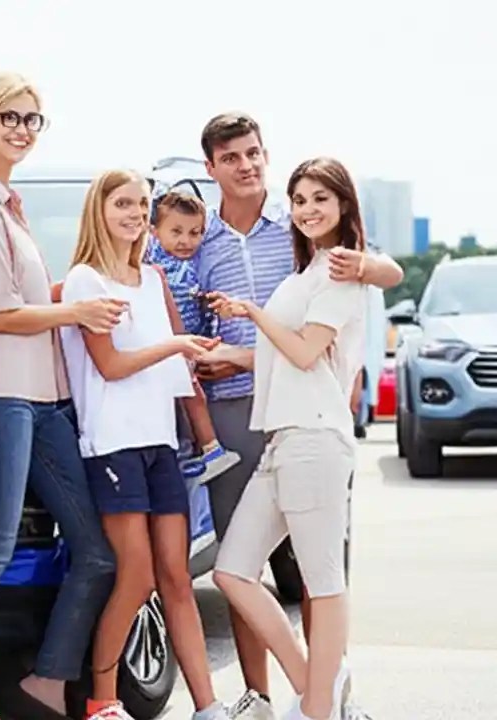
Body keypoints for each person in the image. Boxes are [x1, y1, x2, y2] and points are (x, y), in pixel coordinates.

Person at [186, 113, 403, 719]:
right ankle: (316, 686)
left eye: (320, 200)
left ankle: (317, 706)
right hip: (281, 435)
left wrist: (252, 315)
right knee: (232, 571)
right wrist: (231, 351)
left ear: (343, 204)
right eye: (301, 200)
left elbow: (306, 351)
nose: (306, 210)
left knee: (322, 578)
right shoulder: (311, 266)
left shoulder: (340, 267)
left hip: (314, 436)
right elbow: (289, 351)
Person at [0, 71, 120, 720]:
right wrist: (76, 313)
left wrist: (82, 296)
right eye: (8, 117)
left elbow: (26, 301)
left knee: (95, 550)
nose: (21, 129)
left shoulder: (8, 206)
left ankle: (49, 678)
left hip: (42, 398)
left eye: (31, 119)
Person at [58, 168, 227, 720]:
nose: (134, 214)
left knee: (176, 576)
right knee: (136, 576)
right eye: (123, 204)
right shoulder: (85, 282)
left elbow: (180, 358)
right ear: (99, 210)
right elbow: (109, 366)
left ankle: (207, 705)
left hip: (161, 443)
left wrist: (197, 357)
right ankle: (102, 700)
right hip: (114, 445)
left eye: (141, 204)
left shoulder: (153, 279)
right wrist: (175, 345)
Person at [143, 191, 241, 483]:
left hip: (191, 347)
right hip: (159, 348)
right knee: (186, 396)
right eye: (176, 232)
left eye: (194, 233)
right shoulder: (147, 261)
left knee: (192, 393)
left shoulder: (201, 263)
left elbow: (208, 304)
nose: (186, 240)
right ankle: (203, 450)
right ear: (154, 231)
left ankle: (208, 450)